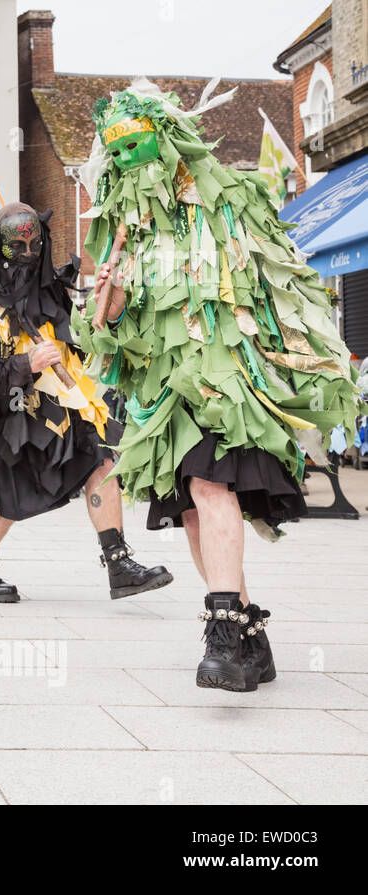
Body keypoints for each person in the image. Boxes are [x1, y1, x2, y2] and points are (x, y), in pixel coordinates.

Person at [75, 79, 362, 690]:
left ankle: (224, 637)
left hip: (227, 377)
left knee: (210, 488)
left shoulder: (224, 196)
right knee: (194, 509)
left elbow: (278, 277)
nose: (126, 161)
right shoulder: (125, 224)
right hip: (165, 389)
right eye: (115, 150)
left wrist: (308, 353)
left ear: (168, 137)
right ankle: (250, 635)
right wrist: (115, 295)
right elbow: (110, 329)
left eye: (136, 144)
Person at [0, 202, 172, 602]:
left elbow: (82, 342)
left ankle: (118, 563)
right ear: (0, 247)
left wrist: (109, 312)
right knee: (8, 497)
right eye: (17, 245)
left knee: (100, 459)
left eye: (34, 243)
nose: (28, 253)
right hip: (3, 417)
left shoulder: (52, 295)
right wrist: (24, 363)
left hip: (57, 409)